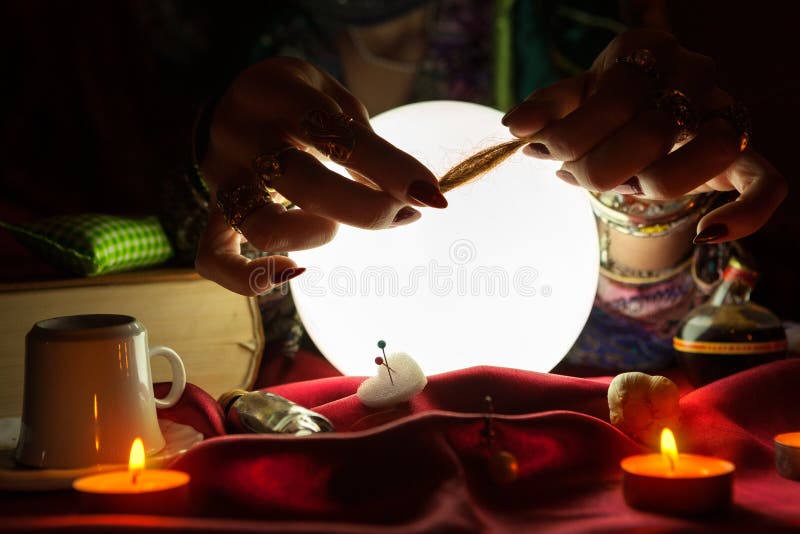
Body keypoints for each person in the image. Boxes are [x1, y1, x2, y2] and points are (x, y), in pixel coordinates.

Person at [0, 0, 792, 372]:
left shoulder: (573, 41)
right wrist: (209, 175)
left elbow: (641, 342)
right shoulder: (134, 50)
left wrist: (642, 202)